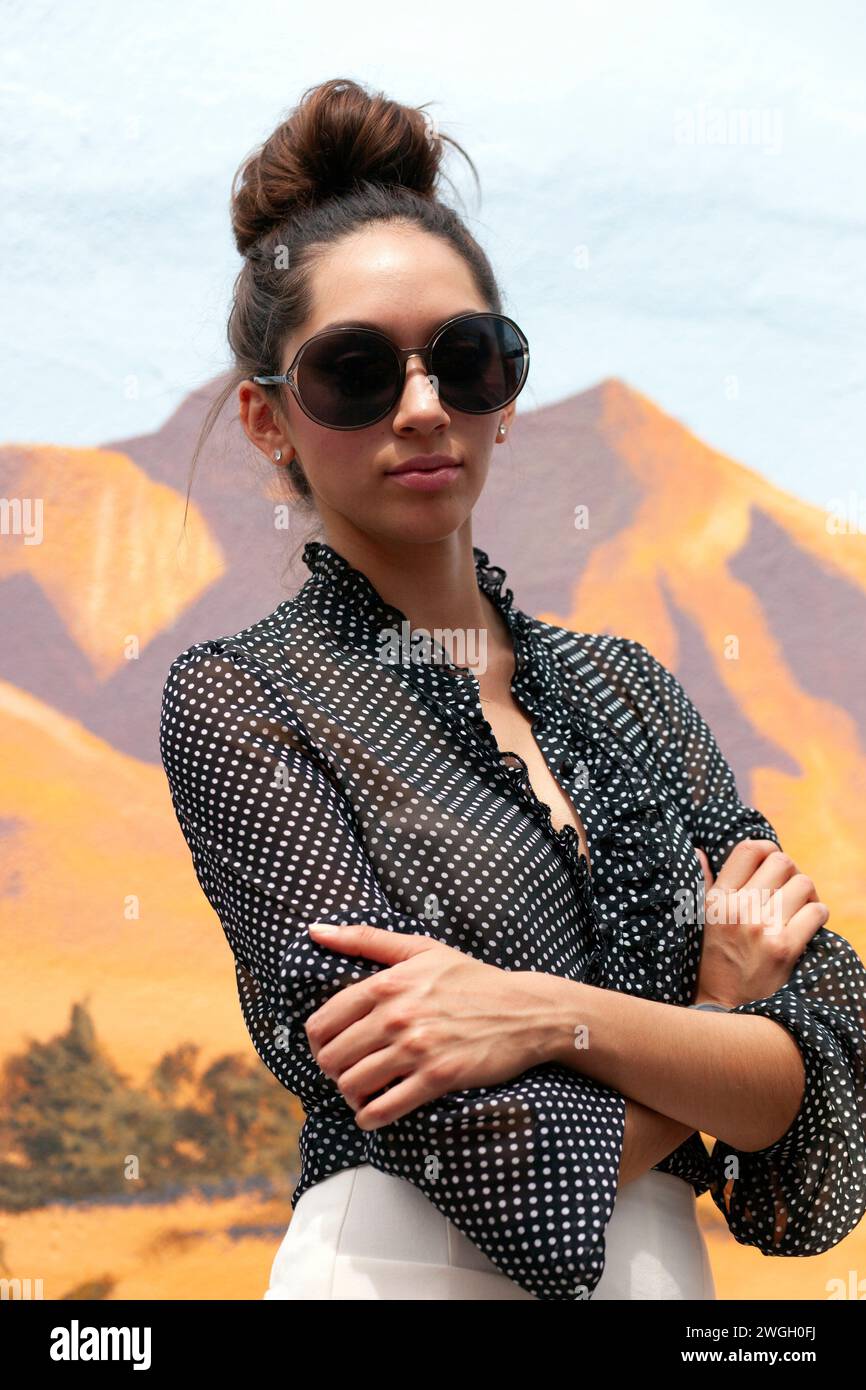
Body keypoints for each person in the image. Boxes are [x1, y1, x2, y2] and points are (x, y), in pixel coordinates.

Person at [159, 77, 866, 1301]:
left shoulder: (628, 690)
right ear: (267, 422)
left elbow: (832, 1076)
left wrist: (537, 1016)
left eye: (465, 359)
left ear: (506, 389)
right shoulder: (244, 699)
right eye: (355, 373)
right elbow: (498, 1169)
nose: (423, 408)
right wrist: (712, 1013)